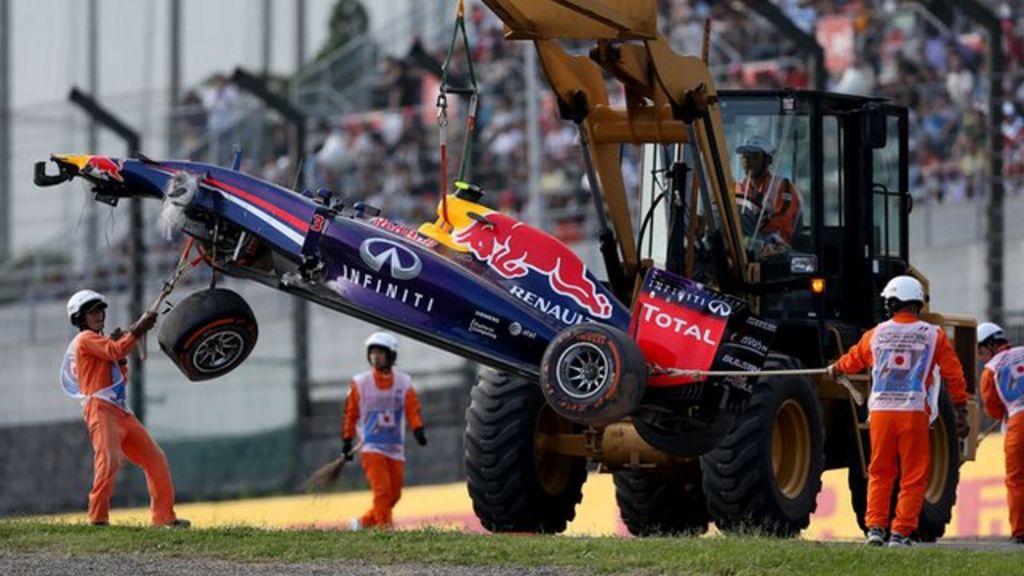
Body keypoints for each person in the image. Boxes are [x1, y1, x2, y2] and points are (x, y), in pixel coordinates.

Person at [827, 276, 969, 547]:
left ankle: (876, 529)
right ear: (916, 303)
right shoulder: (933, 335)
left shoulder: (876, 333)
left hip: (881, 412)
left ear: (891, 303)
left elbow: (854, 359)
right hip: (913, 412)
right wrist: (960, 407)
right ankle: (901, 532)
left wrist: (836, 368)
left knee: (880, 470)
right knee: (913, 474)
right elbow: (954, 374)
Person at [60, 290, 189, 528]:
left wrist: (124, 349)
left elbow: (119, 370)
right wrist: (138, 330)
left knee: (155, 459)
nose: (99, 315)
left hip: (120, 411)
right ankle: (97, 519)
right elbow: (115, 350)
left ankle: (164, 519)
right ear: (80, 318)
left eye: (100, 310)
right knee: (108, 461)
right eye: (92, 311)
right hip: (100, 410)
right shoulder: (85, 340)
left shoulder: (100, 342)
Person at [341, 331, 427, 530]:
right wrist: (347, 440)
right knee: (382, 492)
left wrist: (418, 428)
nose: (375, 357)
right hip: (371, 447)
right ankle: (385, 531)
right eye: (372, 353)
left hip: (395, 447)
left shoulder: (403, 383)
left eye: (380, 352)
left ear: (391, 355)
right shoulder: (360, 383)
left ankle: (361, 524)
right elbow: (350, 413)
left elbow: (412, 408)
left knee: (394, 495)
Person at [977, 322, 1024, 544]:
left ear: (990, 345)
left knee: (1016, 480)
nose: (980, 356)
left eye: (980, 350)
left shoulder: (991, 370)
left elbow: (993, 408)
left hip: (1018, 422)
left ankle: (1020, 531)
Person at [734, 135, 802, 256]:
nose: (747, 160)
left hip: (774, 245)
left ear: (768, 160)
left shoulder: (782, 186)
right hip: (742, 244)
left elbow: (783, 221)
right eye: (745, 156)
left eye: (754, 156)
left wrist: (754, 226)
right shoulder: (737, 189)